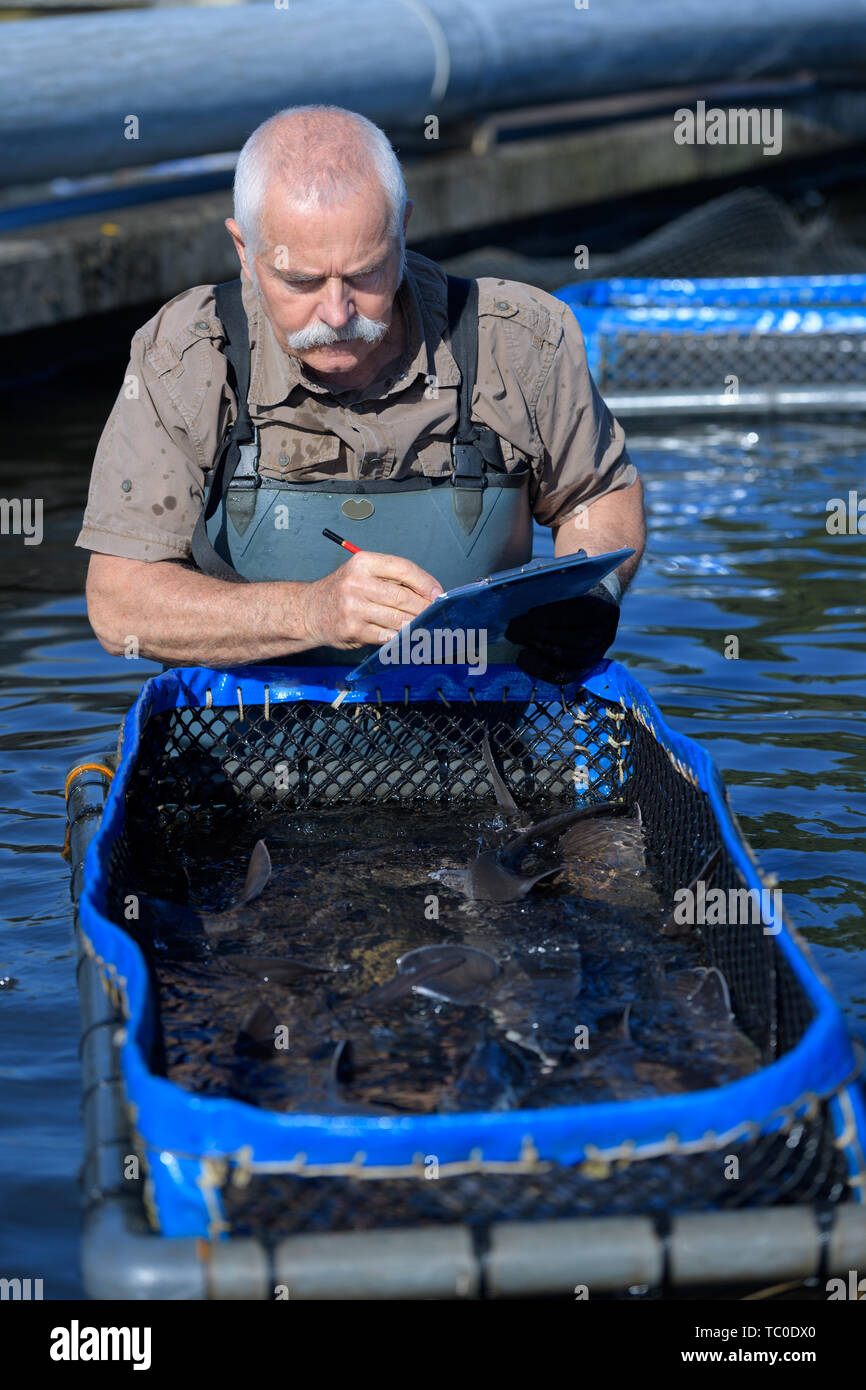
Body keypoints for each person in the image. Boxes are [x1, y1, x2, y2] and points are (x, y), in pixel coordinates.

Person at [78, 105, 645, 683]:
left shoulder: (520, 338)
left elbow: (598, 495)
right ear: (244, 250)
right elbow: (120, 603)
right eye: (300, 280)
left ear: (403, 228)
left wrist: (591, 593)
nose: (336, 313)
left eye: (366, 274)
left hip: (481, 716)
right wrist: (309, 613)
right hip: (251, 726)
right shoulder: (187, 354)